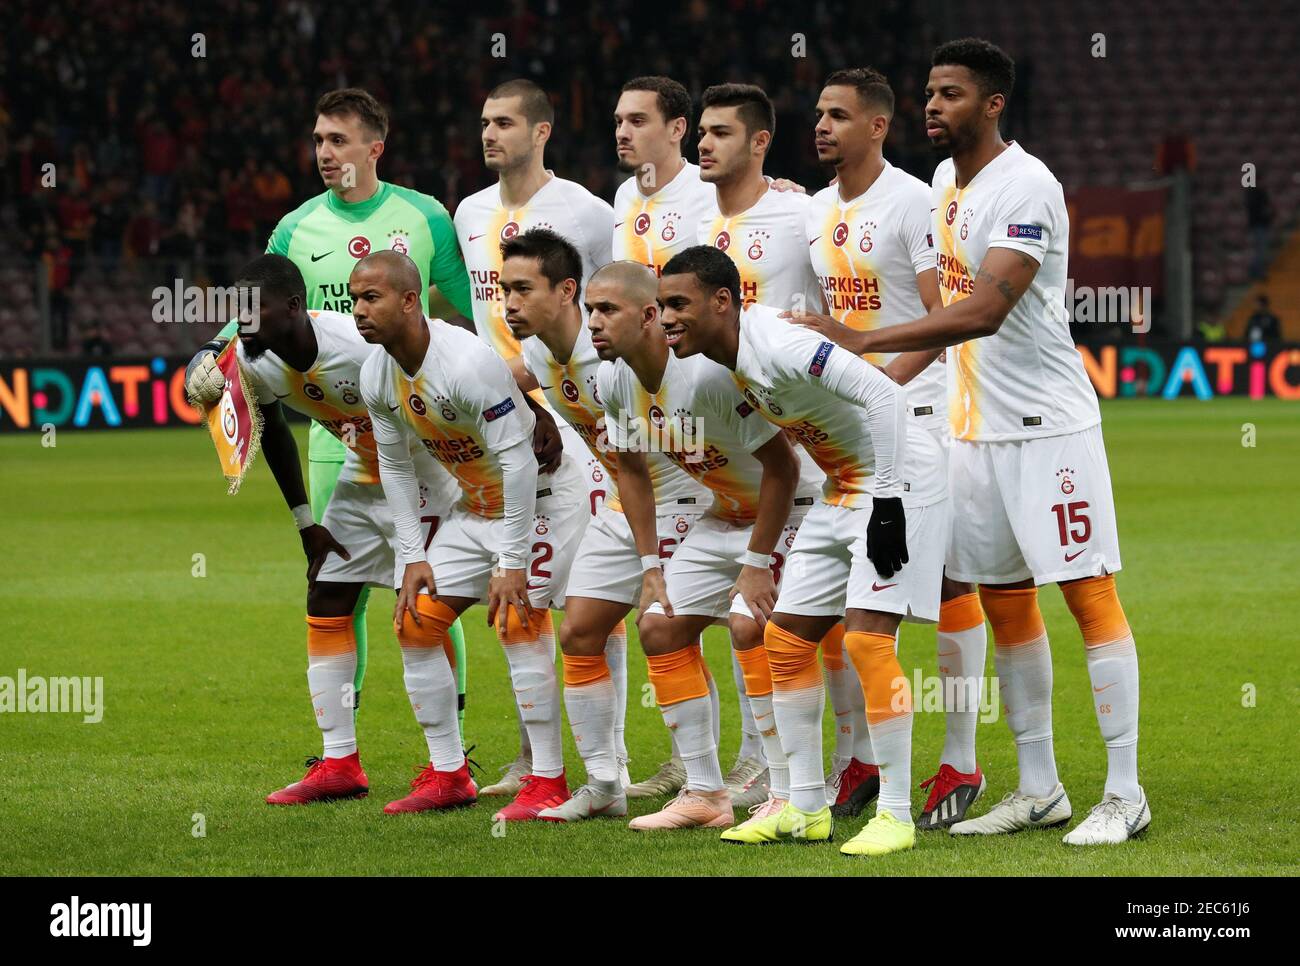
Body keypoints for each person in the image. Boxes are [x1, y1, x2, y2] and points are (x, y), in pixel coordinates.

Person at [796, 39, 1149, 845]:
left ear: (992, 104)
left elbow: (983, 310)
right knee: (1003, 601)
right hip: (972, 431)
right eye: (928, 92)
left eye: (950, 94)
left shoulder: (1027, 185)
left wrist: (860, 341)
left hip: (1049, 430)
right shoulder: (947, 185)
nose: (932, 106)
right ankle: (1040, 787)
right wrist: (876, 381)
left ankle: (1125, 793)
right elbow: (944, 318)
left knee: (1088, 598)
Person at [184, 88, 476, 739]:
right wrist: (209, 354)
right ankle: (342, 738)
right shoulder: (294, 226)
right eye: (317, 140)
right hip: (329, 431)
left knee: (428, 585)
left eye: (337, 140)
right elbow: (252, 314)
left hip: (413, 430)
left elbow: (472, 309)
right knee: (335, 581)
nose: (323, 152)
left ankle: (453, 737)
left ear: (375, 147)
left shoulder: (425, 217)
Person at [657, 246, 946, 856]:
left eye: (678, 303)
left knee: (868, 640)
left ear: (723, 301)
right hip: (840, 488)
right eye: (660, 307)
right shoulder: (718, 368)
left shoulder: (782, 344)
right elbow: (778, 459)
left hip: (899, 483)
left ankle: (896, 814)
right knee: (785, 641)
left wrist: (889, 502)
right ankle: (805, 807)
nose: (666, 318)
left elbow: (885, 397)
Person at [805, 67, 989, 829]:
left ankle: (960, 754)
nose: (821, 125)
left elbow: (944, 317)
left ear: (877, 126)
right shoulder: (811, 211)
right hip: (846, 427)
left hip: (919, 413)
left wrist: (878, 384)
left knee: (946, 583)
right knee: (838, 595)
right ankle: (863, 757)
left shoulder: (915, 202)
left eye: (838, 115)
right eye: (818, 113)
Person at [357, 250, 586, 819]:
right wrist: (411, 556)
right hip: (475, 506)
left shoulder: (464, 362)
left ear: (410, 301)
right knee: (415, 620)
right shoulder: (375, 373)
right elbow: (397, 466)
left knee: (518, 619)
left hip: (543, 501)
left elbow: (519, 461)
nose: (358, 310)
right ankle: (448, 773)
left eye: (371, 297)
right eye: (356, 298)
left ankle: (547, 780)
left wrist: (510, 564)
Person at [228, 255, 458, 807]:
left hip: (429, 473)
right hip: (364, 473)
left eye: (251, 310)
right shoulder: (252, 359)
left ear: (292, 308)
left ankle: (449, 772)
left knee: (422, 612)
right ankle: (339, 763)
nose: (241, 322)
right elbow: (271, 427)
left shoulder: (359, 350)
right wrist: (306, 522)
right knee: (326, 594)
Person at [497, 231, 711, 820]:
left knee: (679, 633)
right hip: (626, 502)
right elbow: (495, 379)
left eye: (520, 290)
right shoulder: (542, 354)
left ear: (563, 291)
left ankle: (715, 781)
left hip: (694, 500)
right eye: (503, 290)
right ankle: (605, 784)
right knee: (580, 632)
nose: (507, 304)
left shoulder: (620, 351)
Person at [453, 78, 617, 795]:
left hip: (575, 419)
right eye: (484, 122)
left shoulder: (586, 210)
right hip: (500, 422)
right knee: (521, 593)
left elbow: (617, 298)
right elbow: (475, 312)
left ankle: (609, 763)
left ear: (542, 131)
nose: (489, 134)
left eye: (505, 122)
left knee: (582, 597)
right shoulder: (468, 212)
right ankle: (531, 760)